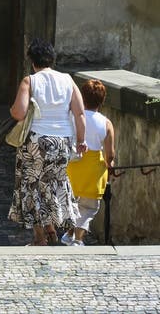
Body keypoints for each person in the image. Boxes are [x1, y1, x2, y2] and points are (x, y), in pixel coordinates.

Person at [8, 38, 85, 246]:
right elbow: (79, 114)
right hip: (62, 141)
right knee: (54, 183)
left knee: (32, 184)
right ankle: (52, 229)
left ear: (32, 61)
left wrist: (12, 110)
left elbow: (19, 112)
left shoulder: (30, 81)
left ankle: (39, 237)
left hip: (36, 140)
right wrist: (81, 140)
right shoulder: (68, 80)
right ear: (52, 59)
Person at [62, 79, 115, 247]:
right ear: (102, 99)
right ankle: (78, 240)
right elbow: (110, 154)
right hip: (93, 169)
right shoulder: (106, 123)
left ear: (82, 97)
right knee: (88, 207)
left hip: (73, 165)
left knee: (72, 202)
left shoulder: (73, 117)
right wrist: (110, 165)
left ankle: (69, 234)